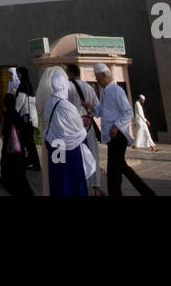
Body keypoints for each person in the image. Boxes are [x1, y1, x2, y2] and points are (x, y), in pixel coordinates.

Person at [93, 63, 155, 196]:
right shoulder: (104, 91)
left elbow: (128, 112)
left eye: (97, 77)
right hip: (112, 135)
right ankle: (146, 192)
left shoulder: (116, 90)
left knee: (115, 168)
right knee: (120, 167)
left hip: (118, 134)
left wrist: (116, 126)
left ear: (104, 76)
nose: (97, 80)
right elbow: (102, 111)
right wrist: (90, 107)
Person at [43, 68, 94, 196]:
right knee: (72, 180)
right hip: (70, 149)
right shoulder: (67, 106)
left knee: (57, 178)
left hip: (55, 145)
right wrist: (84, 124)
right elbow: (78, 130)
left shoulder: (49, 102)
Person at [66, 63, 102, 194]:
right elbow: (97, 107)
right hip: (89, 125)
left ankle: (81, 186)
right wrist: (89, 116)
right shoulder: (89, 87)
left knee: (77, 157)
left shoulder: (68, 87)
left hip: (74, 127)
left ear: (70, 73)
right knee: (93, 155)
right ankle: (96, 188)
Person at [0, 93, 34, 195]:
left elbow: (5, 131)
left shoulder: (7, 115)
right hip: (19, 148)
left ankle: (7, 181)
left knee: (7, 165)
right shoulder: (17, 114)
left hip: (9, 148)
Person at [14, 66, 40, 170]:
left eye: (19, 73)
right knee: (28, 142)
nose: (18, 75)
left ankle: (35, 163)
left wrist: (14, 112)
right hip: (31, 118)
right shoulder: (29, 85)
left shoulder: (23, 86)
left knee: (29, 143)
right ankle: (29, 162)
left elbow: (20, 101)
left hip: (26, 119)